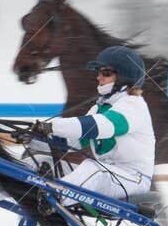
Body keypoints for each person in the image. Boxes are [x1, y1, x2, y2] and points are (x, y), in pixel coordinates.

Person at [33, 45, 154, 201]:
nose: (99, 77)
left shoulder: (134, 105)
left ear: (124, 77)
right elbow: (72, 142)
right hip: (108, 174)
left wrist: (51, 126)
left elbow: (102, 126)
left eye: (106, 73)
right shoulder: (99, 108)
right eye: (99, 72)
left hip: (133, 179)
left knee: (93, 168)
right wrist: (32, 138)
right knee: (39, 162)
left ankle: (55, 197)